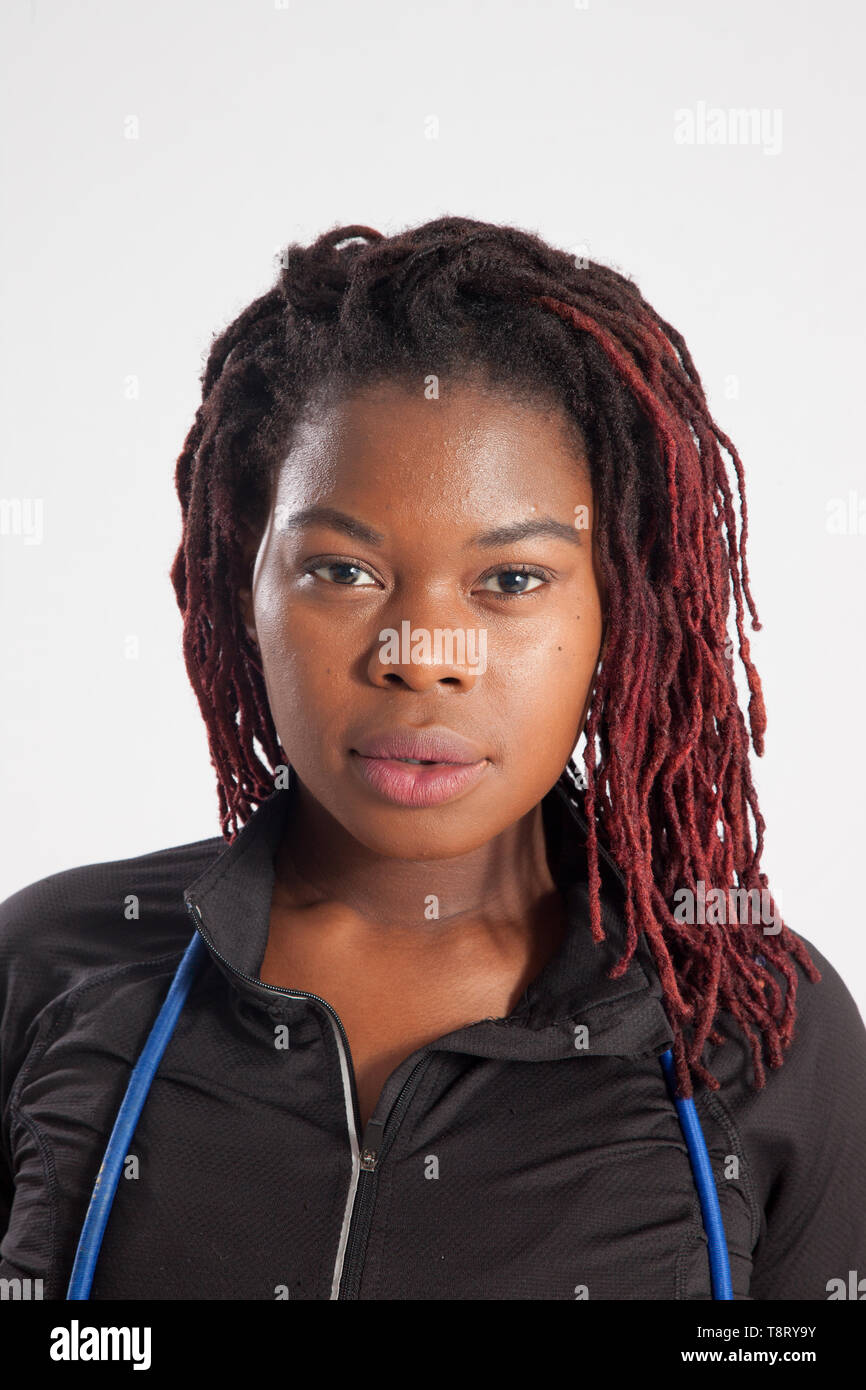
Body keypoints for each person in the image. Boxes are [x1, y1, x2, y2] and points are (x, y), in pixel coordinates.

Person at [1, 216, 864, 1301]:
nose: (421, 655)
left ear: (621, 612)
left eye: (511, 581)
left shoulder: (754, 1027)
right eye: (343, 571)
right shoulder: (53, 966)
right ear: (241, 584)